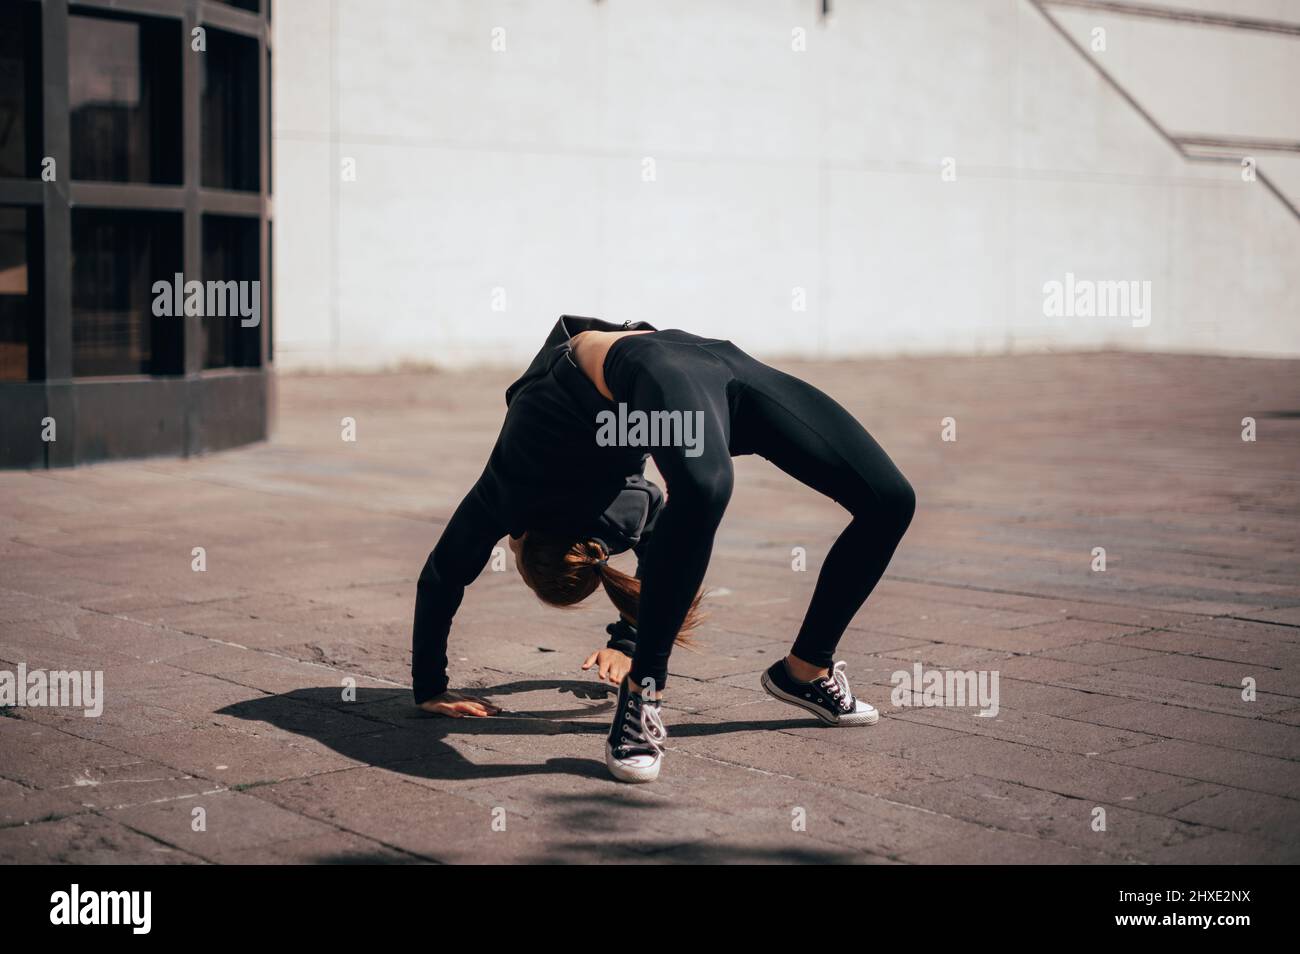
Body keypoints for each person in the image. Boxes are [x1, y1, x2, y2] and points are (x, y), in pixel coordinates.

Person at [412, 316, 915, 783]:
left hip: (668, 365)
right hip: (695, 368)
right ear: (522, 542)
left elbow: (445, 574)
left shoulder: (515, 483)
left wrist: (431, 688)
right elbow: (443, 574)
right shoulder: (612, 513)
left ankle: (666, 687)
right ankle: (799, 670)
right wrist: (628, 645)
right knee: (882, 501)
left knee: (879, 499)